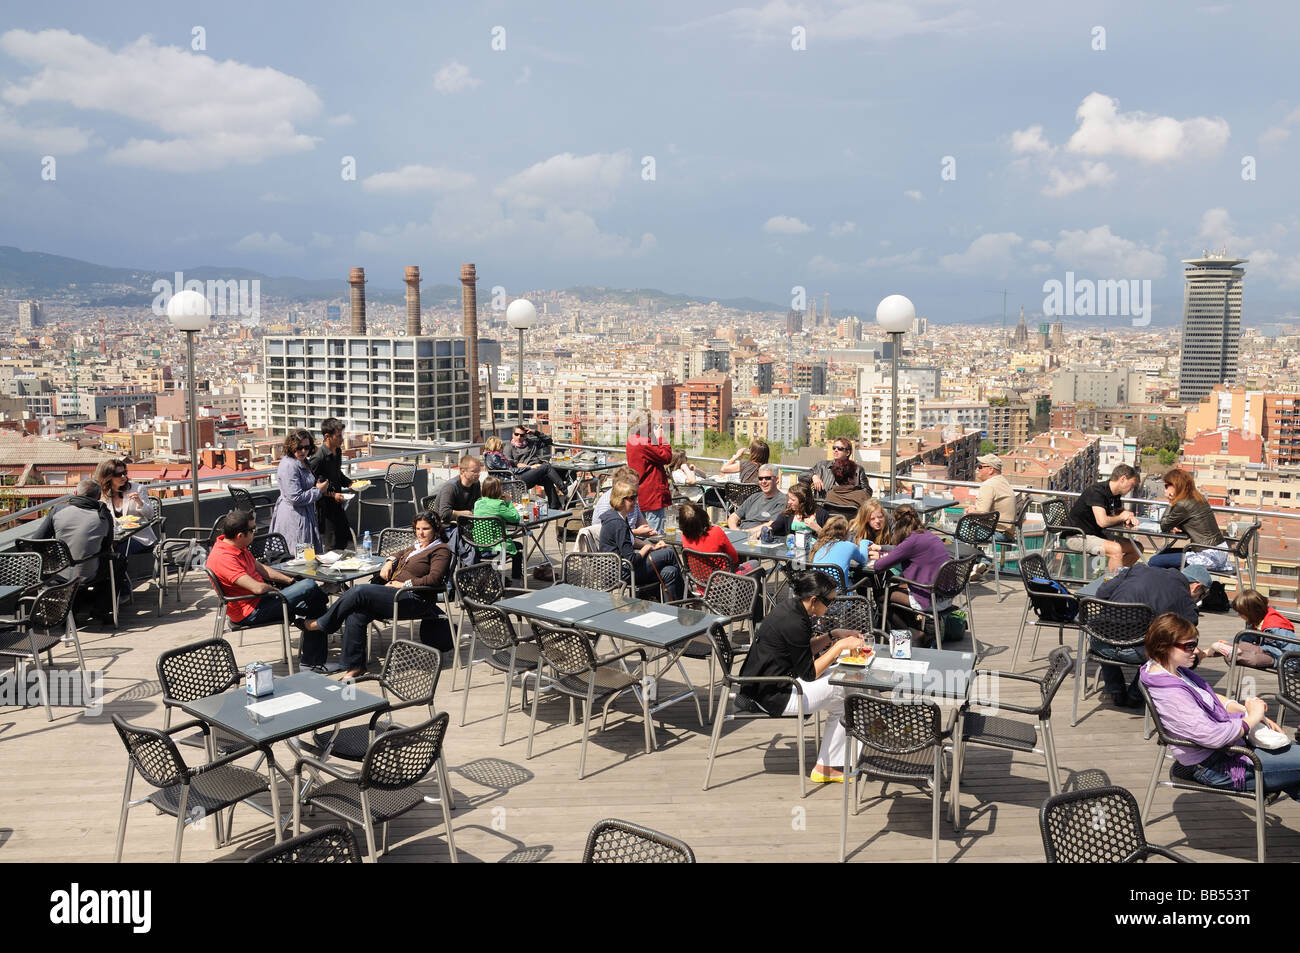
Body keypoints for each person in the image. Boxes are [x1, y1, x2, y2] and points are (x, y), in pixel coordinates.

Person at [1140, 613, 1300, 800]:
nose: (1196, 650)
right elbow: (1213, 737)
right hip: (1218, 766)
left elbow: (1209, 697)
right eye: (1189, 646)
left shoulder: (1169, 671)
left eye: (1196, 643)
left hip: (1224, 752)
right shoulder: (1171, 694)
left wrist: (1244, 710)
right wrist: (1252, 718)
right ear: (1164, 647)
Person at [737, 570, 869, 783]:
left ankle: (832, 761)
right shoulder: (796, 622)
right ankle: (832, 762)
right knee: (846, 689)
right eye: (830, 602)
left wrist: (832, 636)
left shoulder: (791, 609)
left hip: (767, 684)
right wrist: (840, 647)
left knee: (845, 693)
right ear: (815, 600)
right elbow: (808, 673)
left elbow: (800, 651)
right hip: (773, 694)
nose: (831, 607)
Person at [298, 512, 453, 678]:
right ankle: (355, 667)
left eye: (425, 529)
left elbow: (435, 579)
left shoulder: (441, 549)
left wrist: (404, 584)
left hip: (414, 599)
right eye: (417, 529)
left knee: (359, 591)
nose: (420, 533)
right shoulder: (417, 546)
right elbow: (400, 554)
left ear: (436, 529)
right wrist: (388, 561)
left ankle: (323, 624)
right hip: (393, 596)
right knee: (357, 612)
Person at [205, 509, 328, 666]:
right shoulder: (224, 558)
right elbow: (257, 588)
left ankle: (312, 663)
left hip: (262, 601)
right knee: (310, 586)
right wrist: (276, 590)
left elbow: (262, 569)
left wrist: (289, 581)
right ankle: (332, 617)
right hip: (251, 610)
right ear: (240, 535)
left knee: (314, 603)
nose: (255, 532)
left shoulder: (236, 546)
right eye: (252, 530)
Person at [1090, 563, 1211, 707]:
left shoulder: (1136, 569)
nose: (1198, 599)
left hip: (1099, 644)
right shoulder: (1186, 600)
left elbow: (1101, 593)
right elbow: (1187, 632)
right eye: (1201, 595)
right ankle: (1136, 694)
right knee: (1173, 649)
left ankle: (1115, 689)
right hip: (1135, 653)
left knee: (1108, 629)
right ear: (1196, 587)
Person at [30, 478, 116, 623]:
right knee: (117, 563)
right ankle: (100, 609)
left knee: (76, 568)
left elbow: (37, 541)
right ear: (99, 496)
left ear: (75, 493)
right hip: (88, 573)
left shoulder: (58, 510)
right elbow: (107, 547)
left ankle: (70, 611)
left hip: (56, 574)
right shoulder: (104, 516)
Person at [866, 505, 954, 643]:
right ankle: (915, 629)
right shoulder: (927, 535)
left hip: (931, 598)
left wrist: (878, 556)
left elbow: (879, 566)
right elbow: (899, 553)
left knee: (882, 596)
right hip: (946, 595)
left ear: (898, 524)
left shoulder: (911, 541)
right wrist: (882, 553)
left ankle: (913, 634)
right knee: (898, 590)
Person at [598, 480, 683, 600]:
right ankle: (685, 597)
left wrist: (653, 548)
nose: (636, 502)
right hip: (621, 573)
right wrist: (647, 547)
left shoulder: (615, 516)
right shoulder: (619, 524)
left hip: (616, 569)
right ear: (621, 500)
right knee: (668, 554)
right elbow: (631, 559)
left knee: (670, 571)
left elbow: (628, 546)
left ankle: (672, 607)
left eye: (636, 497)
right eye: (632, 499)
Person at [1147, 468, 1228, 571]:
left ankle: (1169, 585)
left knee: (1154, 561)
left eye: (1167, 486)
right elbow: (1196, 523)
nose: (1165, 490)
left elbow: (1164, 525)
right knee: (1163, 553)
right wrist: (1180, 526)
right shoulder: (1198, 498)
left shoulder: (1182, 504)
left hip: (1207, 556)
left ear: (1176, 486)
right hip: (1219, 550)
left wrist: (1171, 501)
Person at [1066, 464, 1141, 571]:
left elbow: (1119, 512)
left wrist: (1128, 515)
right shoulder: (1097, 492)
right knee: (1116, 549)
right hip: (1078, 537)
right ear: (1123, 479)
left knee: (1137, 548)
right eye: (1132, 485)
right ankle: (1113, 584)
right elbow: (1102, 522)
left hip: (1097, 535)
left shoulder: (1115, 495)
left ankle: (1113, 577)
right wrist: (1121, 517)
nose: (1132, 489)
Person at [271, 429, 327, 550]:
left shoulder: (303, 461)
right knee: (299, 555)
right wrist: (318, 491)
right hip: (294, 517)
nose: (303, 451)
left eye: (306, 447)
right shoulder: (289, 466)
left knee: (307, 554)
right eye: (299, 447)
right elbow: (295, 497)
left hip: (305, 515)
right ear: (291, 447)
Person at [965, 453, 1017, 581]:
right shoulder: (1003, 481)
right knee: (966, 533)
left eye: (980, 467)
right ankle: (981, 563)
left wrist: (972, 510)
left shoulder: (988, 485)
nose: (977, 469)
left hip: (998, 532)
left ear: (990, 469)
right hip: (1008, 531)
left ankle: (966, 568)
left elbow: (983, 513)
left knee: (958, 536)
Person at [1211, 590, 1298, 664]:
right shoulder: (1255, 621)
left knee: (1255, 659)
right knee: (1240, 644)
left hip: (1276, 656)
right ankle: (1207, 653)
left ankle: (1234, 654)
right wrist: (1229, 642)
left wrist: (1289, 665)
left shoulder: (1276, 626)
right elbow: (1246, 638)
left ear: (1251, 612)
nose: (1238, 615)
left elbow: (1293, 649)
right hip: (1263, 649)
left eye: (1241, 613)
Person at [308, 417, 354, 552]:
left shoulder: (338, 451)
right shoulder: (318, 457)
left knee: (343, 540)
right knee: (331, 545)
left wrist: (350, 482)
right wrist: (332, 495)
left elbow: (336, 473)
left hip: (337, 503)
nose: (341, 439)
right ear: (327, 436)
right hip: (325, 507)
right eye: (338, 436)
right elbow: (312, 484)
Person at [95, 459, 157, 556]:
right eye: (118, 474)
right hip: (115, 538)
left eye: (124, 473)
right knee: (99, 550)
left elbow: (150, 515)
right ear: (108, 477)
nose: (123, 476)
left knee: (116, 552)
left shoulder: (138, 489)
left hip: (139, 537)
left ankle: (118, 571)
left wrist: (139, 502)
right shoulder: (103, 494)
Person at [625, 411, 674, 533]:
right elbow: (666, 456)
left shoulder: (632, 439)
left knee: (643, 532)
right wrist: (661, 437)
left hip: (641, 494)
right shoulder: (643, 442)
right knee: (654, 535)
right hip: (652, 496)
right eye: (650, 424)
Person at [496, 428, 565, 509]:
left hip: (535, 473)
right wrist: (523, 465)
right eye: (516, 434)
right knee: (546, 466)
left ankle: (555, 507)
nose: (519, 437)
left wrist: (535, 432)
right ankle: (564, 489)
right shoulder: (509, 447)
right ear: (512, 434)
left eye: (522, 435)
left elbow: (549, 441)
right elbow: (508, 461)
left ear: (525, 436)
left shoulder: (531, 443)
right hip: (521, 476)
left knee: (548, 478)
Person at [471, 475, 523, 581]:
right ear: (497, 490)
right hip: (495, 547)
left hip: (479, 546)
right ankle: (517, 579)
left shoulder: (478, 503)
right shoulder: (499, 505)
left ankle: (495, 577)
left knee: (514, 545)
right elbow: (515, 518)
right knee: (518, 549)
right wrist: (508, 502)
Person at [591, 465, 655, 538]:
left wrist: (648, 531)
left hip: (630, 539)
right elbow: (607, 533)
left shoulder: (631, 497)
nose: (639, 487)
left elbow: (640, 520)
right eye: (636, 485)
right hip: (615, 544)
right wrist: (637, 532)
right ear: (623, 486)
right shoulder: (608, 502)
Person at [799, 438, 872, 496]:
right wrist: (813, 476)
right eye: (834, 448)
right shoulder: (822, 466)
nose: (835, 450)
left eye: (839, 448)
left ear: (847, 452)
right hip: (823, 506)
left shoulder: (858, 469)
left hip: (846, 508)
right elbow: (801, 476)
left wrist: (852, 494)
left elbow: (867, 491)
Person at [810, 516, 867, 585]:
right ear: (845, 532)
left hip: (820, 591)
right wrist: (864, 542)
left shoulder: (818, 545)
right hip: (840, 592)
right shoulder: (849, 546)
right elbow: (863, 560)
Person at [728, 465, 786, 530]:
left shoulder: (782, 500)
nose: (763, 481)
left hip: (761, 536)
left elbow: (772, 524)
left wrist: (746, 532)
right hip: (741, 533)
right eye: (760, 478)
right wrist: (736, 530)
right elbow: (734, 516)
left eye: (767, 478)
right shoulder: (754, 497)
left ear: (776, 480)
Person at [763, 483, 828, 537]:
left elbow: (831, 539)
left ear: (803, 501)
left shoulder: (821, 514)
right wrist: (766, 531)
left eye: (793, 500)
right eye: (789, 498)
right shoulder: (788, 514)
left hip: (815, 550)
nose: (789, 502)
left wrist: (818, 529)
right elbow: (775, 527)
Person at [434, 455, 483, 523]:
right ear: (463, 471)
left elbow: (477, 505)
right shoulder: (450, 487)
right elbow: (444, 514)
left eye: (479, 471)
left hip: (466, 522)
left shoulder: (475, 483)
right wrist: (465, 513)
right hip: (448, 526)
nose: (478, 474)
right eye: (474, 471)